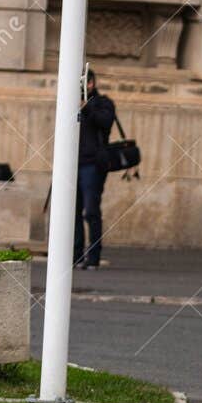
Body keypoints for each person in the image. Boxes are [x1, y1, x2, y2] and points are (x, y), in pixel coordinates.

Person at [74, 68, 116, 269]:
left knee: (91, 211)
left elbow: (106, 121)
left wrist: (87, 107)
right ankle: (76, 255)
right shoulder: (70, 104)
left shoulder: (102, 103)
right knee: (72, 212)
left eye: (87, 83)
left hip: (92, 165)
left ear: (92, 83)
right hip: (73, 165)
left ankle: (94, 256)